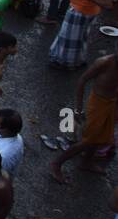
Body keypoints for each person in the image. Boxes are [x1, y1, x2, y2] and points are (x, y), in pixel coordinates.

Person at [50, 53, 118, 184]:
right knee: (89, 140)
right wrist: (78, 109)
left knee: (101, 139)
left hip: (112, 104)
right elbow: (82, 80)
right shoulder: (104, 62)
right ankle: (56, 164)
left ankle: (86, 162)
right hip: (98, 103)